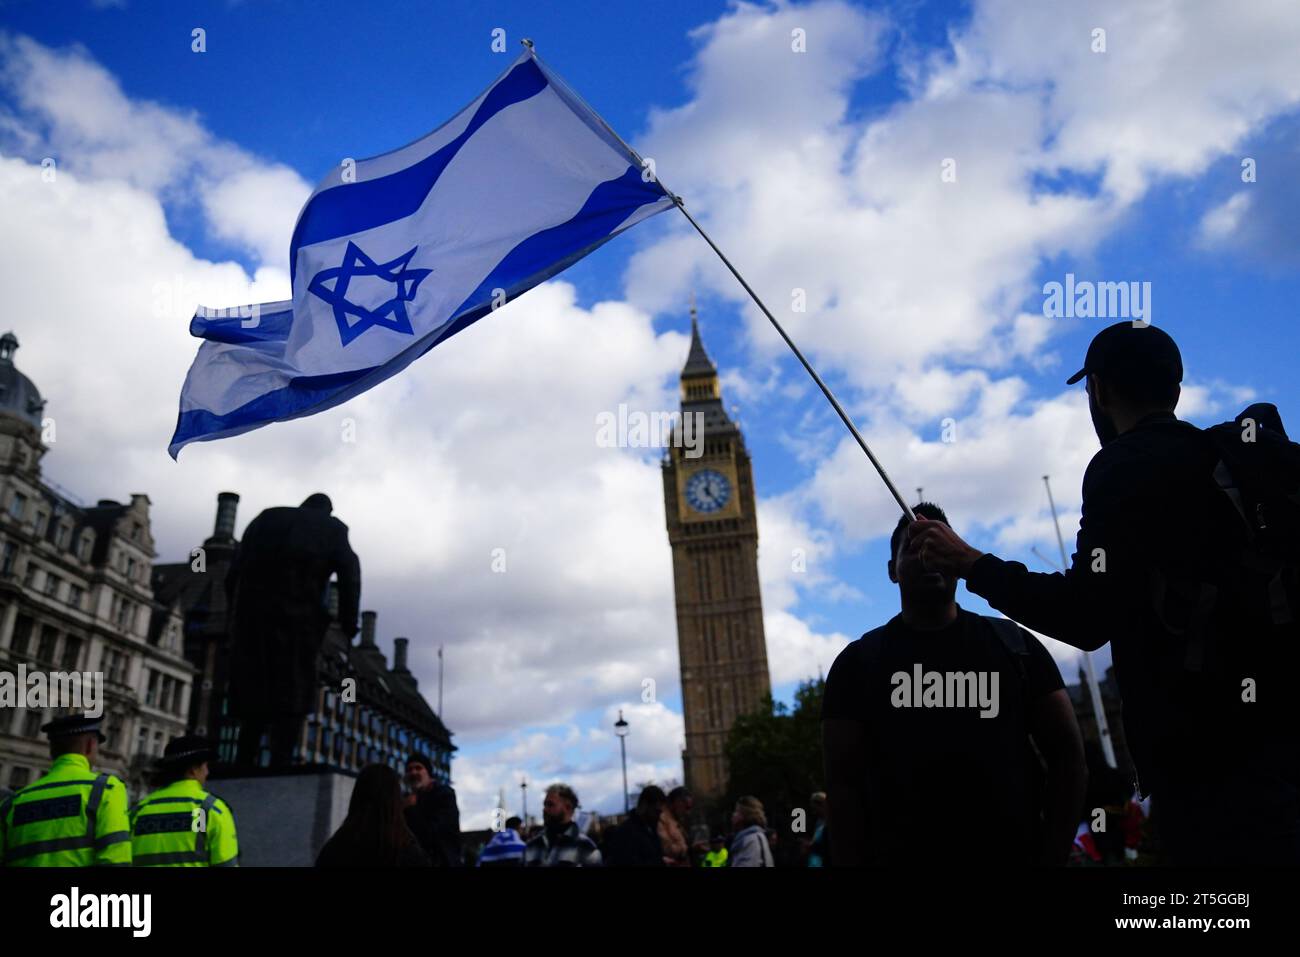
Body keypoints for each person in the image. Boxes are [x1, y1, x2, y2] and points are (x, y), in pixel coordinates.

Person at [906, 322, 1300, 865]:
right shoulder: (1229, 463)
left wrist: (973, 563)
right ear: (1176, 392)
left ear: (1099, 391)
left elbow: (1086, 617)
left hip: (1212, 769)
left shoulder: (1123, 466)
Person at [823, 502, 1088, 866]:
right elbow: (842, 786)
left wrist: (1053, 854)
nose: (926, 555)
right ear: (891, 571)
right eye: (913, 546)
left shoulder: (1015, 646)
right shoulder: (857, 664)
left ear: (957, 556)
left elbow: (1068, 756)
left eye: (937, 544)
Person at [226, 492, 361, 770]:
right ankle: (281, 761)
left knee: (255, 683)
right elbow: (350, 575)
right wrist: (348, 622)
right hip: (299, 621)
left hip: (253, 619)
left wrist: (236, 615)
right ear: (328, 510)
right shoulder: (332, 528)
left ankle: (243, 757)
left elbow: (232, 575)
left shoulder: (265, 518)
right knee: (293, 687)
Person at [0, 714, 131, 866]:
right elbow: (115, 860)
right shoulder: (106, 789)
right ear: (90, 745)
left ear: (52, 750)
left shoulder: (12, 804)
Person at [129, 735, 239, 867]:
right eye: (205, 766)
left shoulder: (138, 812)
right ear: (193, 770)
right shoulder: (207, 810)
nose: (207, 772)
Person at [317, 764, 430, 867]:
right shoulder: (407, 850)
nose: (413, 773)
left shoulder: (335, 848)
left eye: (418, 768)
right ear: (395, 798)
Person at [403, 753, 461, 866]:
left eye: (418, 768)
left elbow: (434, 833)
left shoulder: (444, 795)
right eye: (409, 769)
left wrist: (411, 809)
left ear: (428, 773)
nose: (413, 772)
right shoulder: (408, 800)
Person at [524, 783, 601, 866]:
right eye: (544, 805)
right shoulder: (532, 845)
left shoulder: (586, 847)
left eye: (550, 804)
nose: (545, 809)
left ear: (568, 807)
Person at [603, 786, 666, 866]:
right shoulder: (626, 833)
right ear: (644, 805)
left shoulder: (650, 829)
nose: (659, 816)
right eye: (657, 811)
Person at [728, 796, 774, 867]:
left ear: (745, 814)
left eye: (736, 811)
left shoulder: (751, 839)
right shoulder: (752, 837)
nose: (733, 815)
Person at [658, 786, 694, 866]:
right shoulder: (662, 820)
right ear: (676, 802)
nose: (688, 812)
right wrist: (690, 849)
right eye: (686, 807)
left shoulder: (677, 820)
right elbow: (667, 849)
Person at [806, 792, 830, 867]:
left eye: (815, 808)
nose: (814, 812)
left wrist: (812, 846)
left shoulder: (830, 823)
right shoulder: (819, 822)